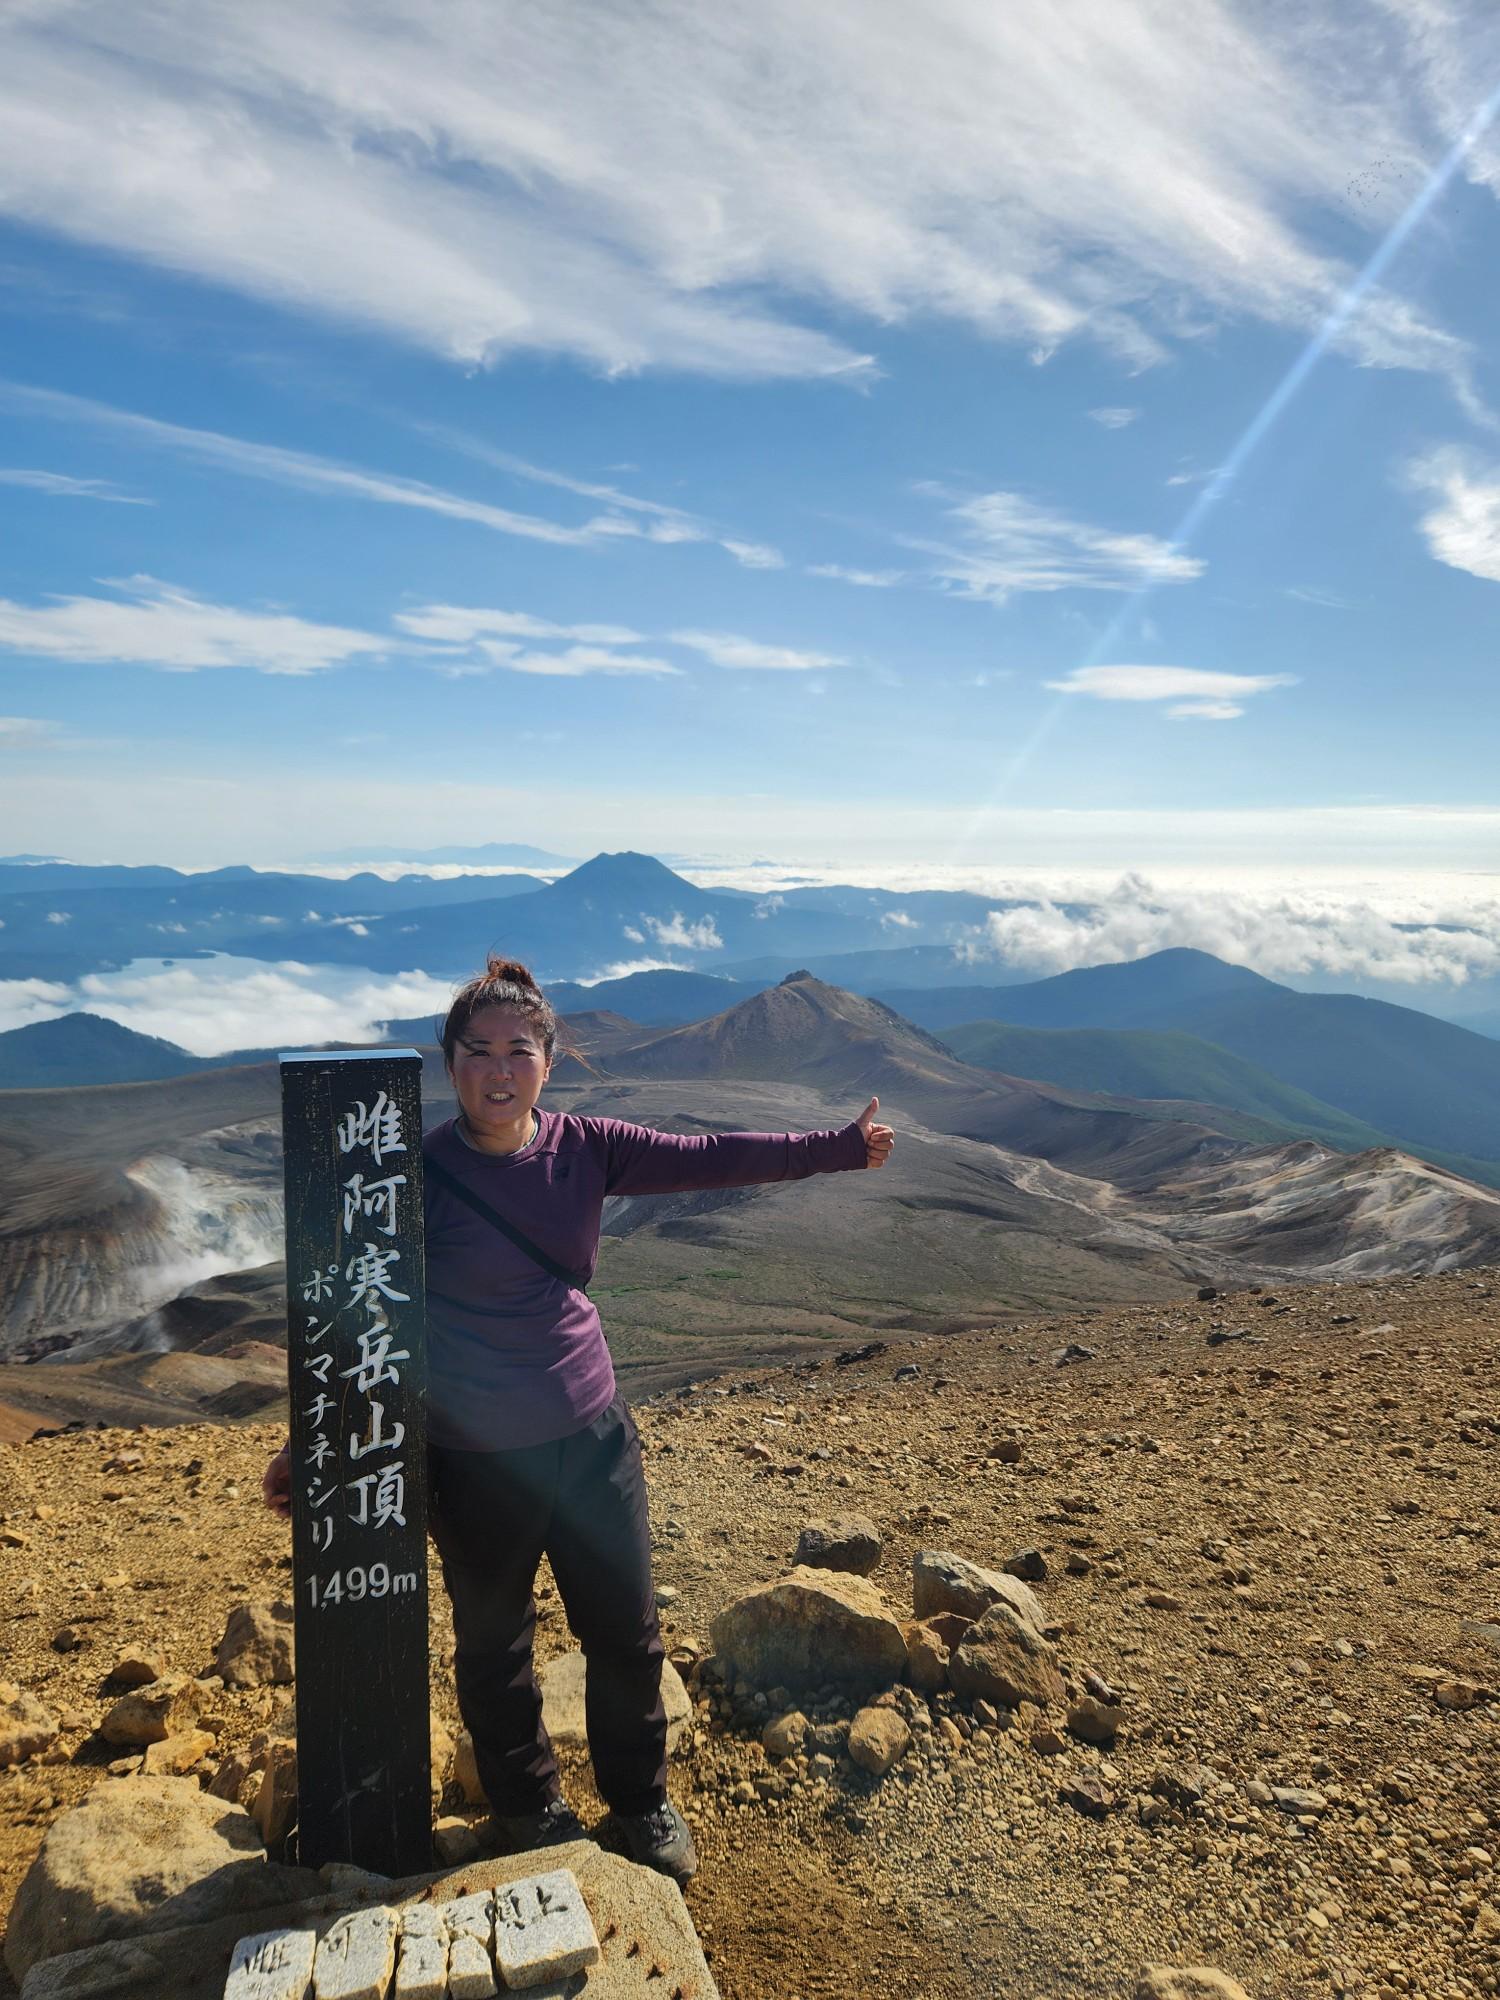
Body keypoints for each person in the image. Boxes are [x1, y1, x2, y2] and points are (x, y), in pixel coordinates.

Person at [264, 954, 894, 1885]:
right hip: (474, 1458)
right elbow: (363, 1314)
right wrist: (309, 1436)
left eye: (519, 1050)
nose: (498, 1069)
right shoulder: (414, 1173)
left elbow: (712, 1159)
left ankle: (640, 1807)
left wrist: (836, 1147)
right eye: (477, 1051)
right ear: (450, 1064)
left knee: (627, 1634)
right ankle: (528, 1809)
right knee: (492, 1644)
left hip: (591, 1435)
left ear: (548, 1063)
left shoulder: (586, 1146)